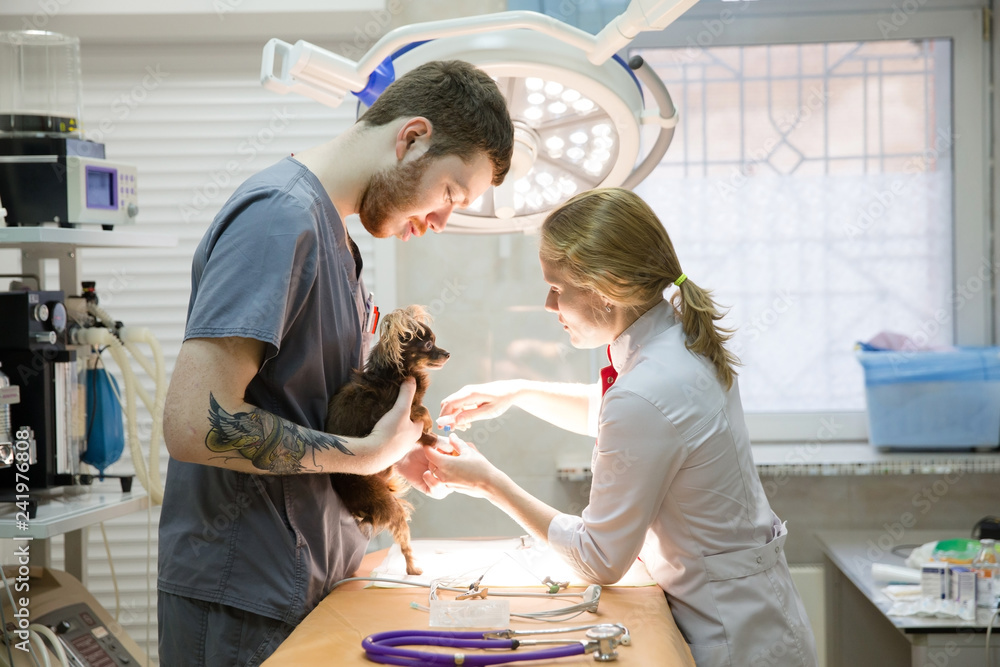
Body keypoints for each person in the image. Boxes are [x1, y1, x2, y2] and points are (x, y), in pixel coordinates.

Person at [158, 60, 513, 667]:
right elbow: (194, 422)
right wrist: (365, 454)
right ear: (412, 138)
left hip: (308, 580)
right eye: (451, 193)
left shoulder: (338, 241)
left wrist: (393, 449)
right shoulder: (278, 218)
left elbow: (303, 406)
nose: (441, 221)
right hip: (246, 597)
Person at [428, 187, 818, 667]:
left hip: (733, 639)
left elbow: (599, 558)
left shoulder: (649, 388)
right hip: (754, 615)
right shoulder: (675, 341)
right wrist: (518, 393)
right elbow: (621, 417)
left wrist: (488, 482)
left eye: (557, 288)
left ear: (606, 287)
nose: (549, 305)